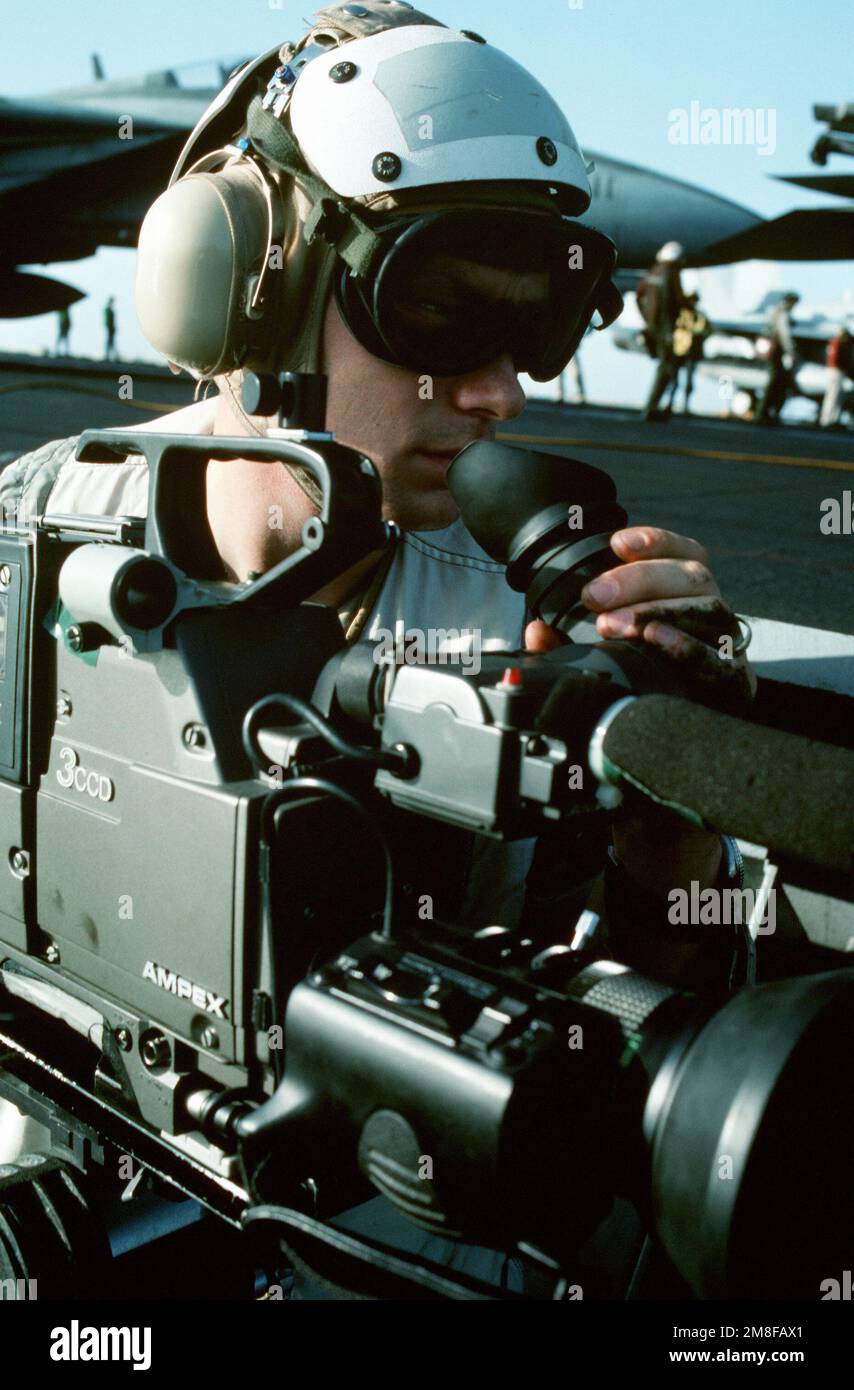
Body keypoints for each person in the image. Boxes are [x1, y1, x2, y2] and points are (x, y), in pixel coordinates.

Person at [0, 4, 756, 1296]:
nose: (498, 393)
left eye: (534, 333)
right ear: (262, 294)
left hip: (387, 1236)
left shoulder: (534, 619)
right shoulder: (27, 544)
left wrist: (674, 803)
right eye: (444, 312)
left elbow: (642, 1023)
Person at [637, 241, 688, 421]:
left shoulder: (653, 270)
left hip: (652, 327)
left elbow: (638, 295)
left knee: (664, 366)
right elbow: (679, 299)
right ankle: (652, 408)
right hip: (666, 328)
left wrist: (646, 318)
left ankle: (653, 407)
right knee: (666, 368)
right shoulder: (672, 273)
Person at [755, 291, 799, 426]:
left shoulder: (777, 311)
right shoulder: (782, 314)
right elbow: (784, 334)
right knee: (776, 382)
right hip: (777, 352)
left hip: (774, 351)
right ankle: (764, 413)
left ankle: (765, 413)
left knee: (776, 382)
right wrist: (791, 352)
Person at [663, 291, 709, 415]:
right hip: (679, 350)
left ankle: (684, 405)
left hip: (690, 352)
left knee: (687, 381)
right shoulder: (682, 314)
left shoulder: (699, 316)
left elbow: (706, 330)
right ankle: (670, 403)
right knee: (675, 380)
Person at [819, 326, 852, 428]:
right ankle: (827, 419)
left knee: (836, 395)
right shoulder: (837, 344)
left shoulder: (834, 344)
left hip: (834, 371)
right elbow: (836, 359)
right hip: (836, 371)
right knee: (833, 396)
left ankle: (832, 418)